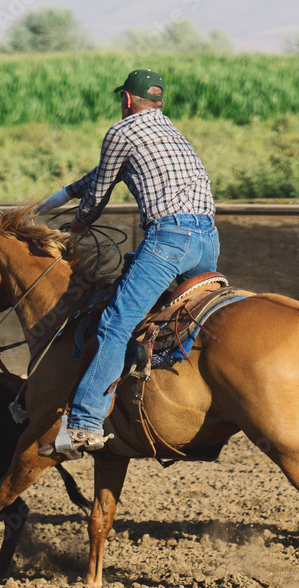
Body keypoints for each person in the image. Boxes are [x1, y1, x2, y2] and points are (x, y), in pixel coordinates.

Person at [38, 69, 219, 458]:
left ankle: (86, 423)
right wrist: (60, 195)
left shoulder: (121, 132)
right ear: (158, 101)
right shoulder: (170, 131)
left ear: (127, 100)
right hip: (208, 242)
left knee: (115, 322)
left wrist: (80, 222)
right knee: (176, 323)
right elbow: (104, 173)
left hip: (169, 239)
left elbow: (101, 189)